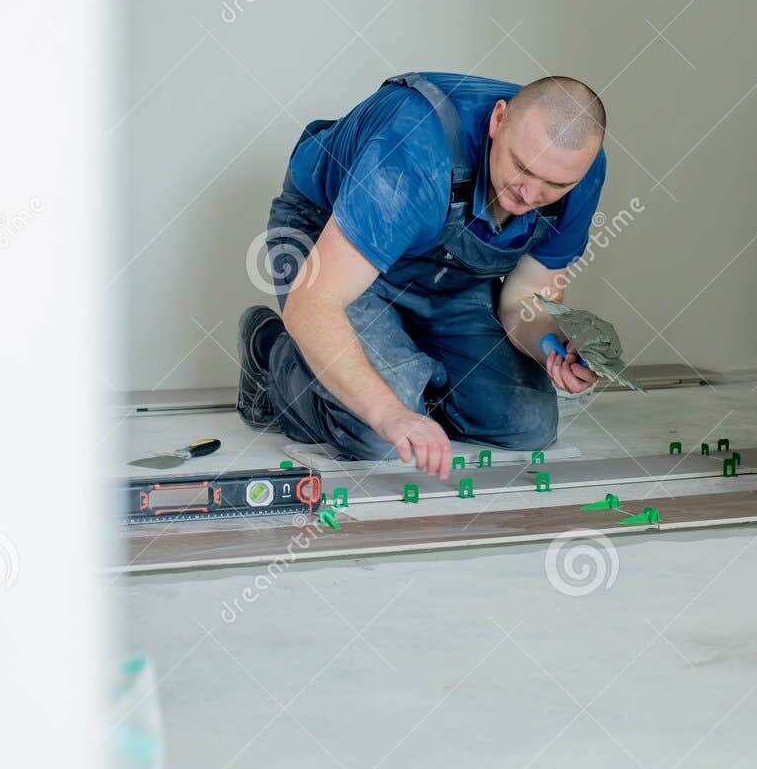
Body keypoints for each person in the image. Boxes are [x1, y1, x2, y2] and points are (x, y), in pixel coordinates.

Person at [237, 72, 606, 479]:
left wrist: (552, 349)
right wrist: (390, 411)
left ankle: (401, 368)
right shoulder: (412, 150)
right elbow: (315, 301)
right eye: (522, 167)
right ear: (498, 121)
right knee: (377, 437)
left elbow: (525, 298)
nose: (530, 195)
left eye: (554, 184)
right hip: (330, 236)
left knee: (527, 425)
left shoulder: (579, 169)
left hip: (449, 271)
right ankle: (272, 353)